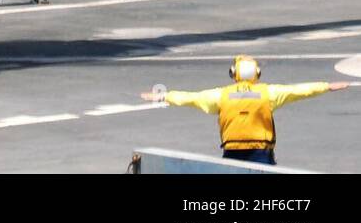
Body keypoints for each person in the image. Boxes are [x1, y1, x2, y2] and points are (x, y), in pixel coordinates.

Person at [140, 55, 353, 165]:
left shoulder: (221, 95)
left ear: (233, 74)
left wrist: (163, 96)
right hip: (261, 153)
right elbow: (298, 90)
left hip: (232, 152)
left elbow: (191, 98)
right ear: (257, 74)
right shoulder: (267, 93)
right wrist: (326, 86)